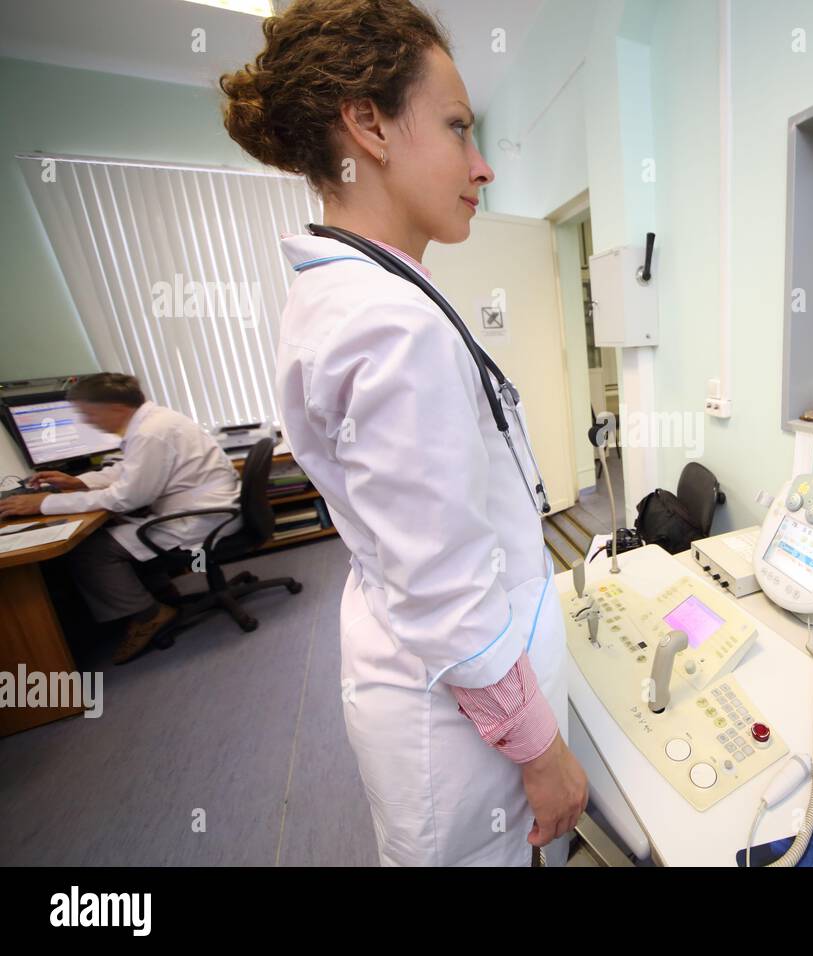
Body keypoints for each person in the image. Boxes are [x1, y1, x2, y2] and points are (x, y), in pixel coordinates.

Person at [220, 0, 587, 866]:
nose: (482, 164)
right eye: (459, 127)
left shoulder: (369, 294)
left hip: (428, 673)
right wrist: (543, 755)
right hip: (455, 719)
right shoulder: (387, 322)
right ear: (367, 124)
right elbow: (446, 595)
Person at [0, 373, 240, 663]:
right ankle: (162, 592)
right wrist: (81, 482)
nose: (87, 422)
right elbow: (131, 470)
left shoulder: (150, 432)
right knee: (117, 528)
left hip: (200, 520)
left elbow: (126, 498)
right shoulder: (156, 421)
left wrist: (45, 503)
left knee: (92, 551)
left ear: (115, 408)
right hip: (206, 510)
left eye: (89, 413)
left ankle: (149, 615)